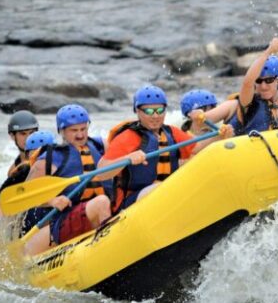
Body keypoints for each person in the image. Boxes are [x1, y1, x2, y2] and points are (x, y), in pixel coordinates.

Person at [98, 85, 233, 213]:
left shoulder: (171, 132)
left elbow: (197, 147)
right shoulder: (127, 137)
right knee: (164, 188)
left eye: (160, 110)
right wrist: (127, 158)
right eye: (149, 111)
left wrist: (219, 136)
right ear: (138, 111)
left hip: (167, 194)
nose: (155, 116)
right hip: (131, 201)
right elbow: (101, 173)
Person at [20, 104, 113, 256]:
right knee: (101, 202)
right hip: (67, 219)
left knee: (105, 201)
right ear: (62, 131)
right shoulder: (50, 158)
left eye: (83, 129)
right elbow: (26, 195)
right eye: (74, 130)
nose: (80, 135)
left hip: (103, 208)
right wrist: (52, 201)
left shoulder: (101, 145)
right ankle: (108, 251)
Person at [196, 37, 278, 135]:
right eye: (258, 81)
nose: (263, 86)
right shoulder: (249, 102)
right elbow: (247, 83)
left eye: (269, 80)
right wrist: (269, 51)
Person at [0, 110, 40, 218]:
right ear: (12, 136)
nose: (28, 138)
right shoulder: (15, 170)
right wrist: (5, 219)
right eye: (23, 134)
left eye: (32, 133)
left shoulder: (48, 156)